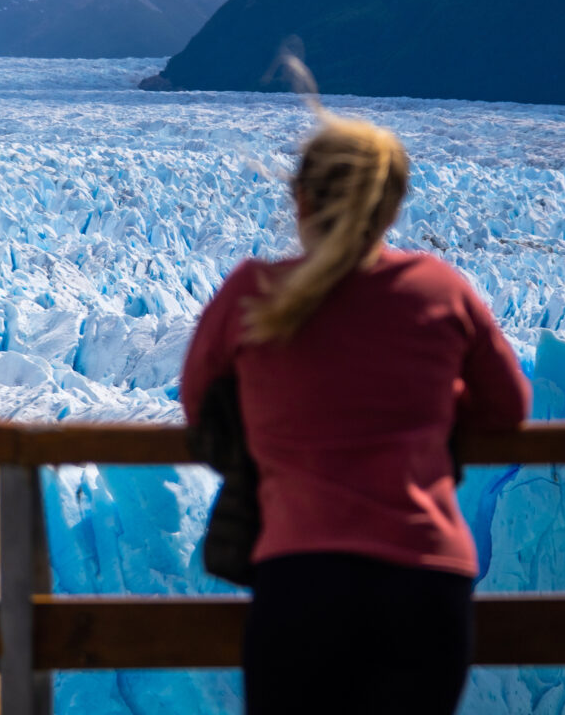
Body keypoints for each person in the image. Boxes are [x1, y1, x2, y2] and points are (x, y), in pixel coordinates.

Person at [181, 113, 531, 715]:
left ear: (300, 198)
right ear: (392, 205)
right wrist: (432, 403)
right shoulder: (439, 288)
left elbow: (198, 403)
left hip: (300, 579)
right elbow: (508, 407)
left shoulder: (252, 292)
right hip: (426, 581)